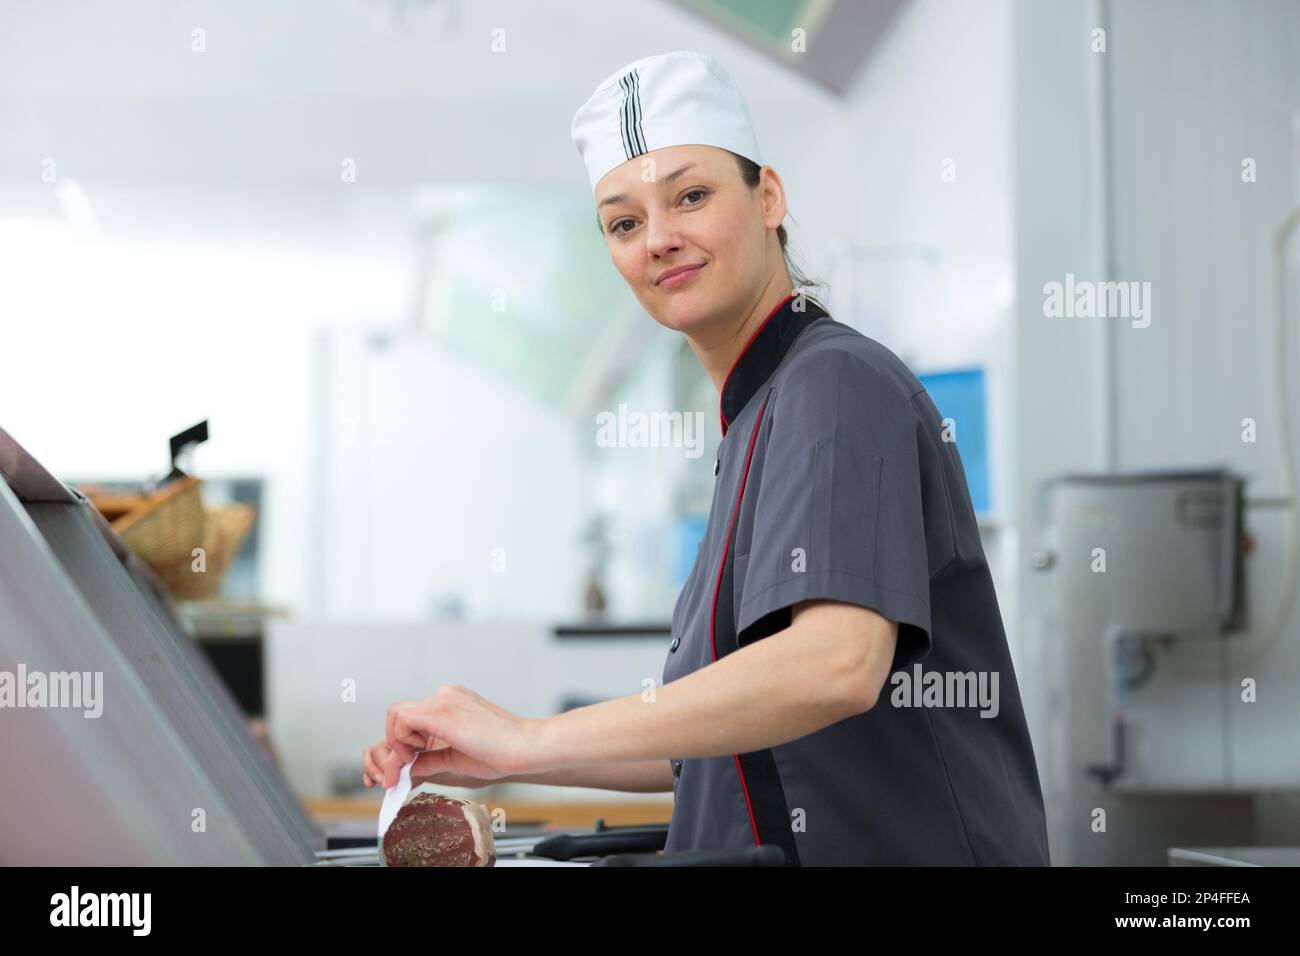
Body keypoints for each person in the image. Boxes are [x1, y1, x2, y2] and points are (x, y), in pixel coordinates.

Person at [363, 50, 1050, 866]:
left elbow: (835, 666)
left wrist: (529, 737)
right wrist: (512, 753)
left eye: (691, 196)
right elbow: (714, 740)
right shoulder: (755, 418)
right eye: (624, 223)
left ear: (768, 198)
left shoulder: (834, 383)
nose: (659, 240)